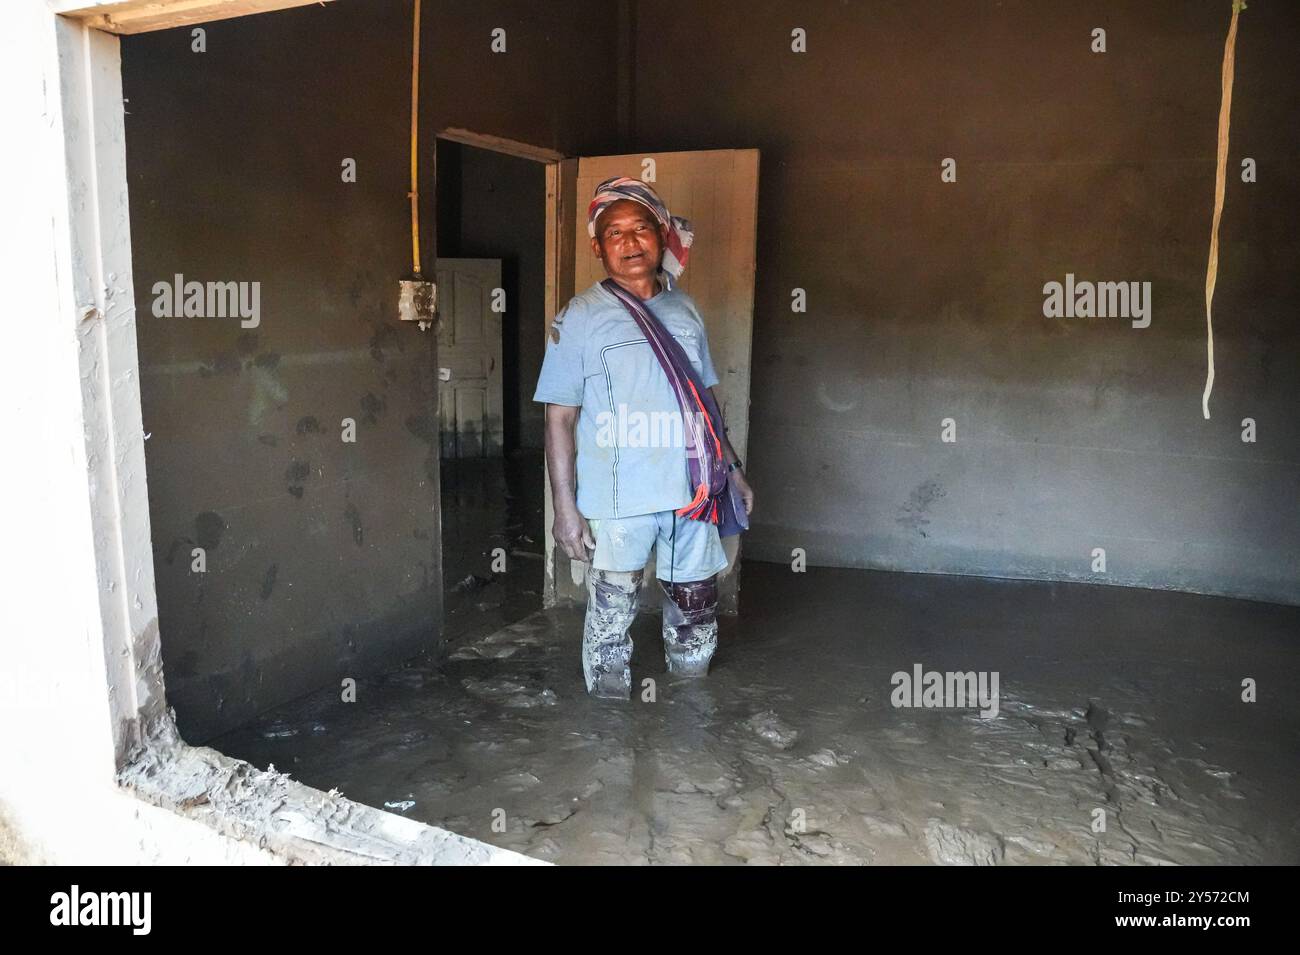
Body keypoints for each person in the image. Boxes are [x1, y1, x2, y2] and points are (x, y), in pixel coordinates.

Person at [533, 177, 755, 700]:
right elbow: (559, 419)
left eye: (641, 229)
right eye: (615, 233)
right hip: (618, 498)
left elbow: (706, 403)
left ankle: (690, 705)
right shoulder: (579, 317)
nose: (630, 242)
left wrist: (734, 468)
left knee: (697, 603)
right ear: (597, 246)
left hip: (694, 490)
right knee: (612, 611)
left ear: (660, 235)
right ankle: (609, 722)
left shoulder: (685, 310)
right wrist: (564, 509)